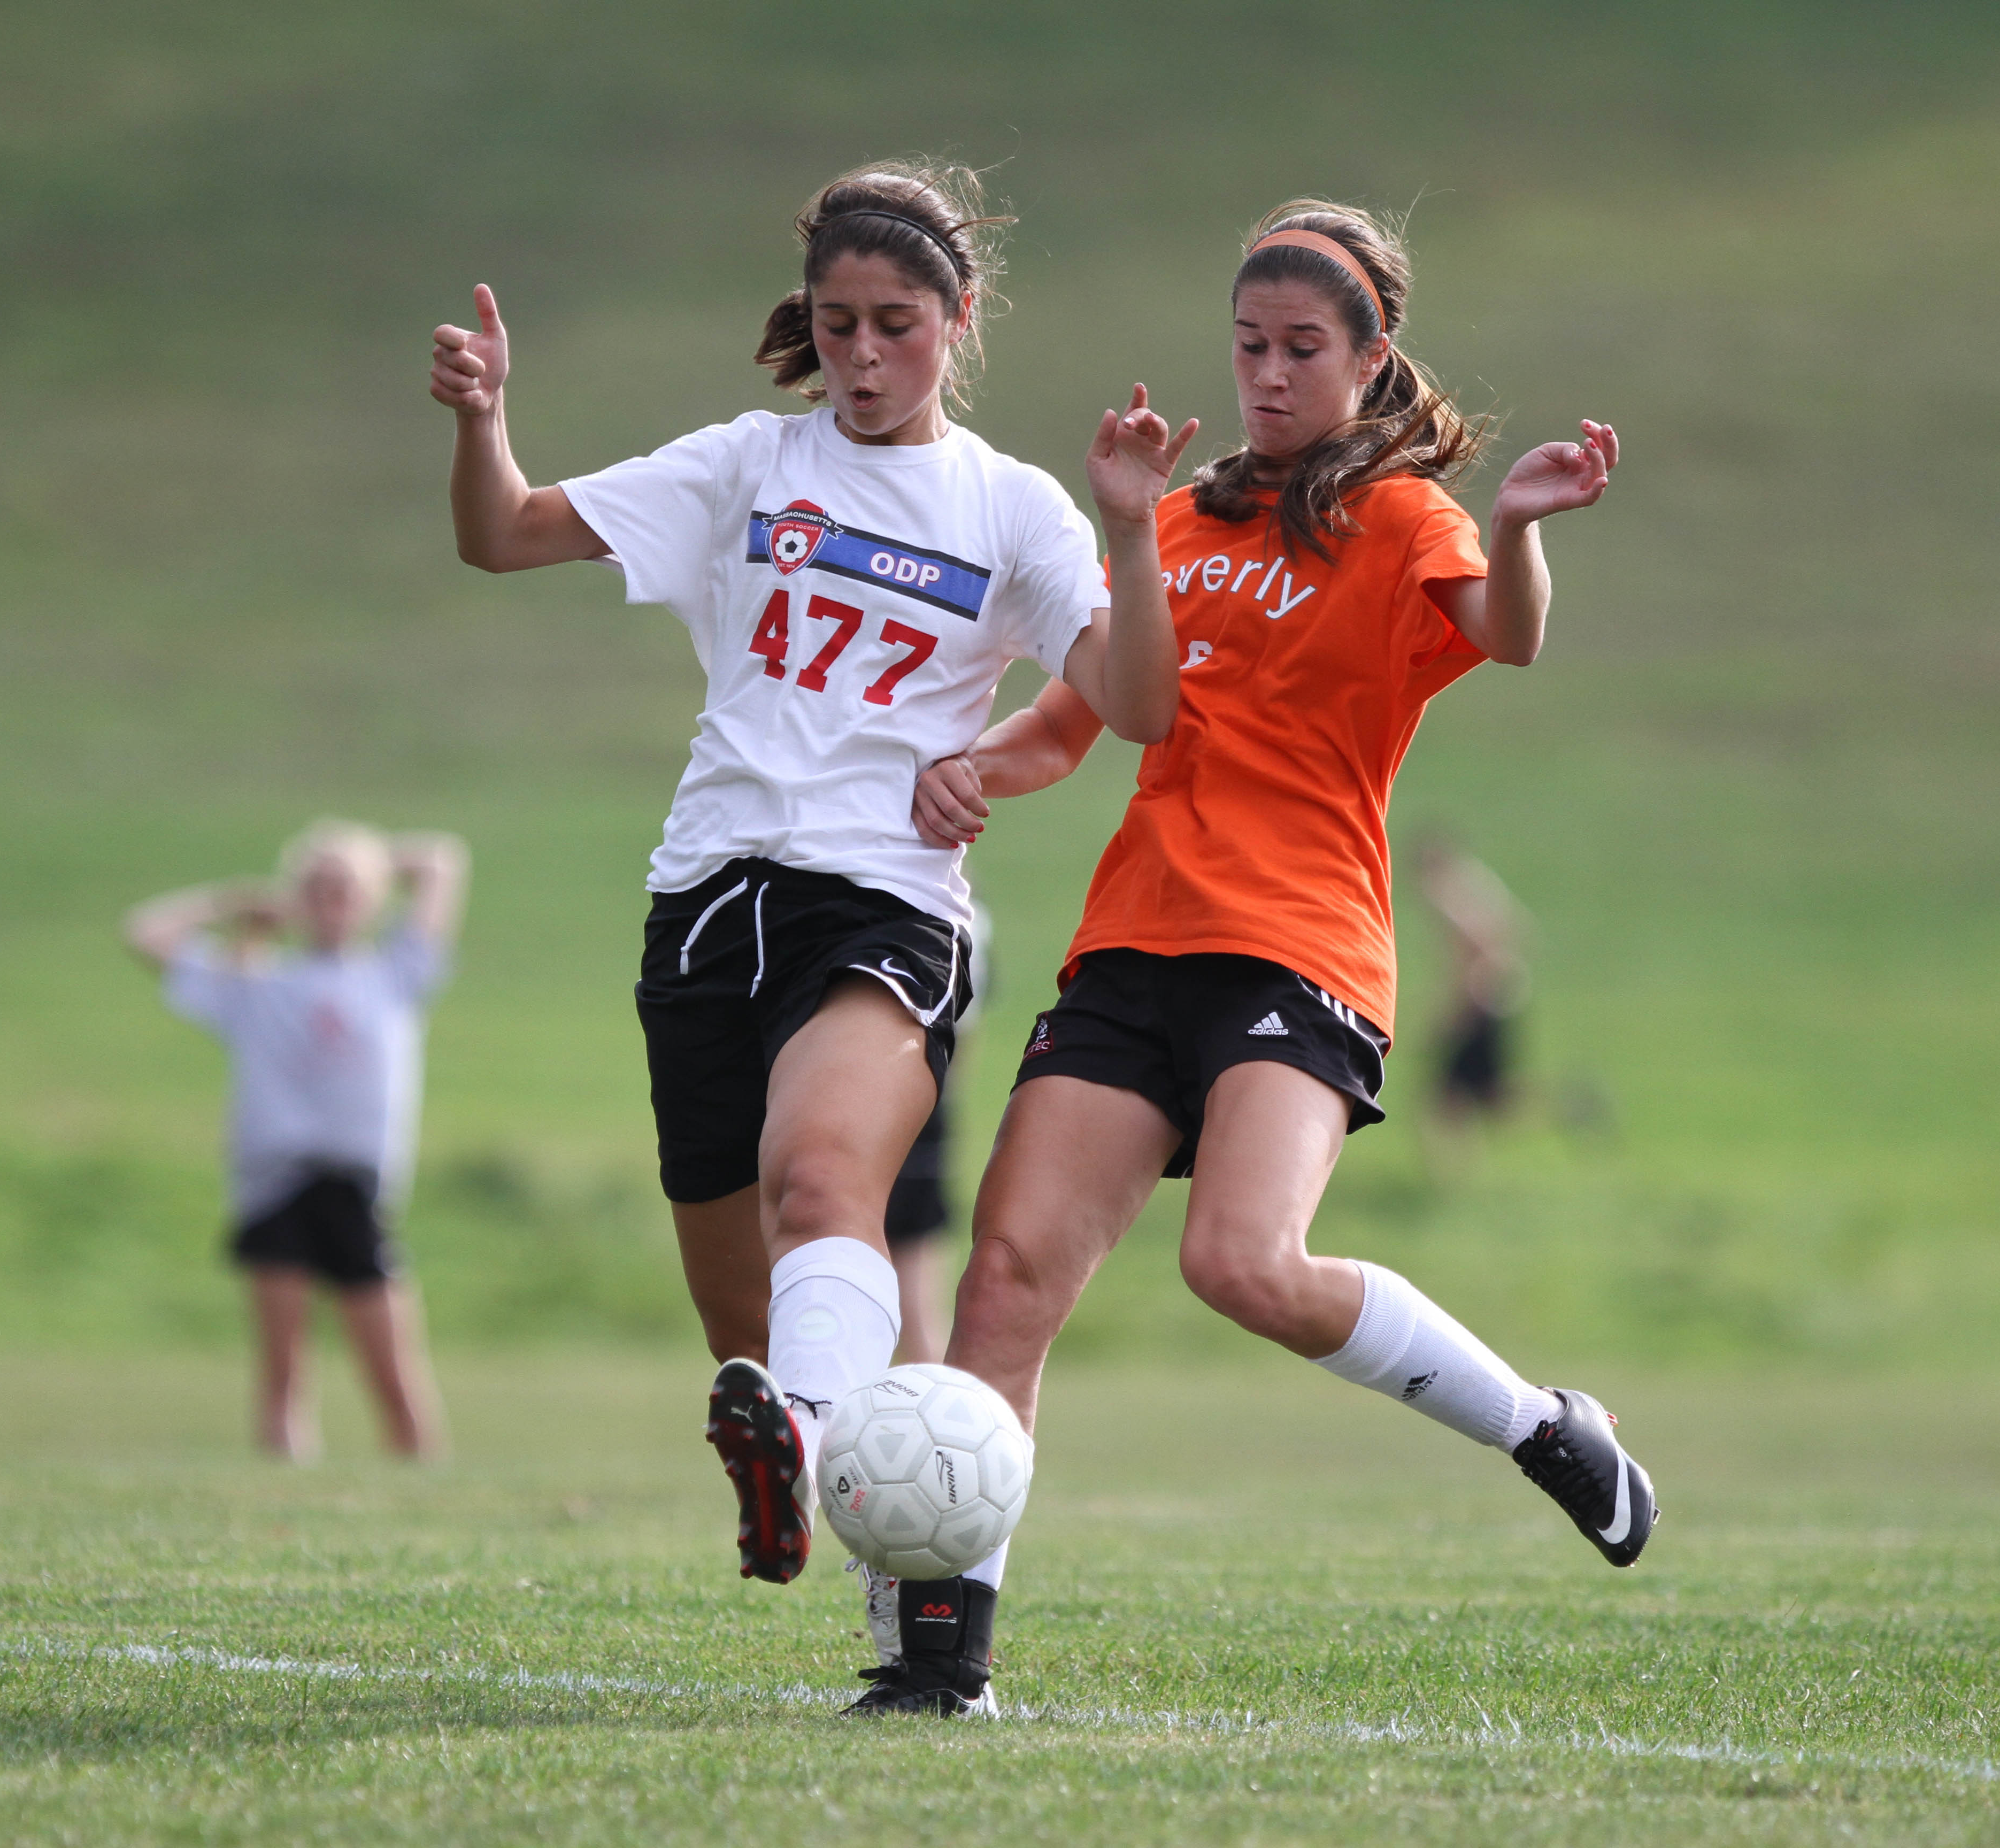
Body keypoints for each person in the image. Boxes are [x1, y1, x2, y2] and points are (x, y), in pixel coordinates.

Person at [875, 201, 1651, 1716]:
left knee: (1240, 1264)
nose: (1272, 375)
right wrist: (981, 764)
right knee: (1009, 1283)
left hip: (1300, 944)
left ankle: (1546, 1428)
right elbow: (1079, 722)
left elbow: (1509, 634)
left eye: (1306, 349)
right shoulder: (1174, 519)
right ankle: (939, 1663)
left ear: (1371, 363)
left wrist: (1520, 526)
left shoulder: (1404, 519)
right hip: (1135, 939)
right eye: (1251, 347)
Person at [426, 164, 1190, 1590]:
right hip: (708, 897)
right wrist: (484, 423)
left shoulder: (1012, 508)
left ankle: (810, 1431)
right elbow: (501, 532)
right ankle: (804, 1451)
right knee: (744, 1309)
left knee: (825, 1182)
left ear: (957, 324)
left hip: (885, 896)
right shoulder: (746, 465)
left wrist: (1136, 532)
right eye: (836, 324)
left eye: (893, 323)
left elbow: (1141, 707)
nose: (860, 356)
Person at [124, 822, 467, 1460]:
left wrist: (365, 863)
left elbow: (443, 860)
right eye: (316, 887)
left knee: (394, 1376)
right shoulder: (255, 983)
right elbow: (145, 934)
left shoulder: (396, 974)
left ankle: (422, 1481)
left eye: (344, 890)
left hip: (355, 1186)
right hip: (276, 1182)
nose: (330, 899)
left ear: (371, 899)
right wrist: (233, 905)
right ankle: (285, 1491)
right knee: (284, 1375)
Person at [880, 913, 994, 1365]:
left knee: (915, 1300)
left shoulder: (957, 917)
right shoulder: (964, 914)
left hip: (917, 1098)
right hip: (927, 1096)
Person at [1415, 837, 1529, 1128]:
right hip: (1498, 998)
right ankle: (1571, 1104)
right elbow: (1516, 927)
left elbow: (1474, 947)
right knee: (1485, 1096)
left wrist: (1458, 1009)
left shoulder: (1448, 897)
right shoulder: (1474, 880)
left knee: (1449, 1093)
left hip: (1479, 1004)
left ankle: (1449, 1170)